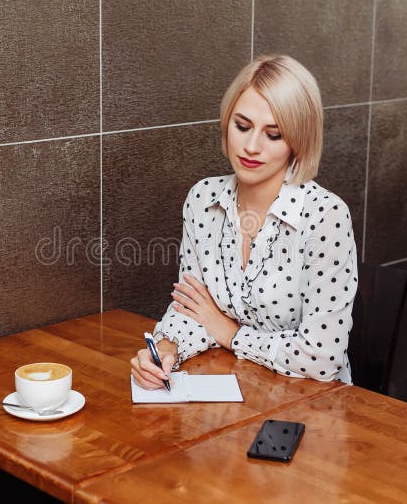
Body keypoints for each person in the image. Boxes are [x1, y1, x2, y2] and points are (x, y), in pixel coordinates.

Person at [130, 55, 358, 390]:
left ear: (298, 141)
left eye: (274, 134)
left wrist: (229, 333)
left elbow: (321, 359)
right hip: (234, 390)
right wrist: (166, 349)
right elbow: (193, 310)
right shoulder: (203, 200)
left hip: (309, 404)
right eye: (242, 126)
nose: (251, 146)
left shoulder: (325, 216)